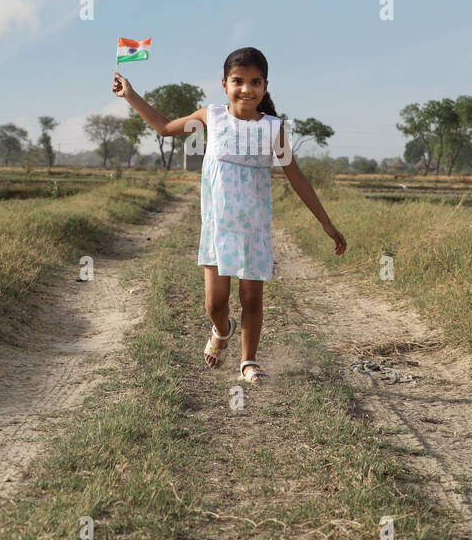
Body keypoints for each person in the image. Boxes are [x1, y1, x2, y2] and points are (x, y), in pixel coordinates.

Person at [113, 46, 346, 384]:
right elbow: (164, 127)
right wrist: (131, 95)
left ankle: (248, 360)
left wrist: (325, 222)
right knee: (215, 304)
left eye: (255, 82)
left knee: (251, 298)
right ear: (224, 84)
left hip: (254, 229)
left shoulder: (273, 128)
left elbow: (297, 177)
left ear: (265, 86)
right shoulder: (212, 116)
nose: (246, 89)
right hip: (218, 228)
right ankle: (222, 332)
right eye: (238, 81)